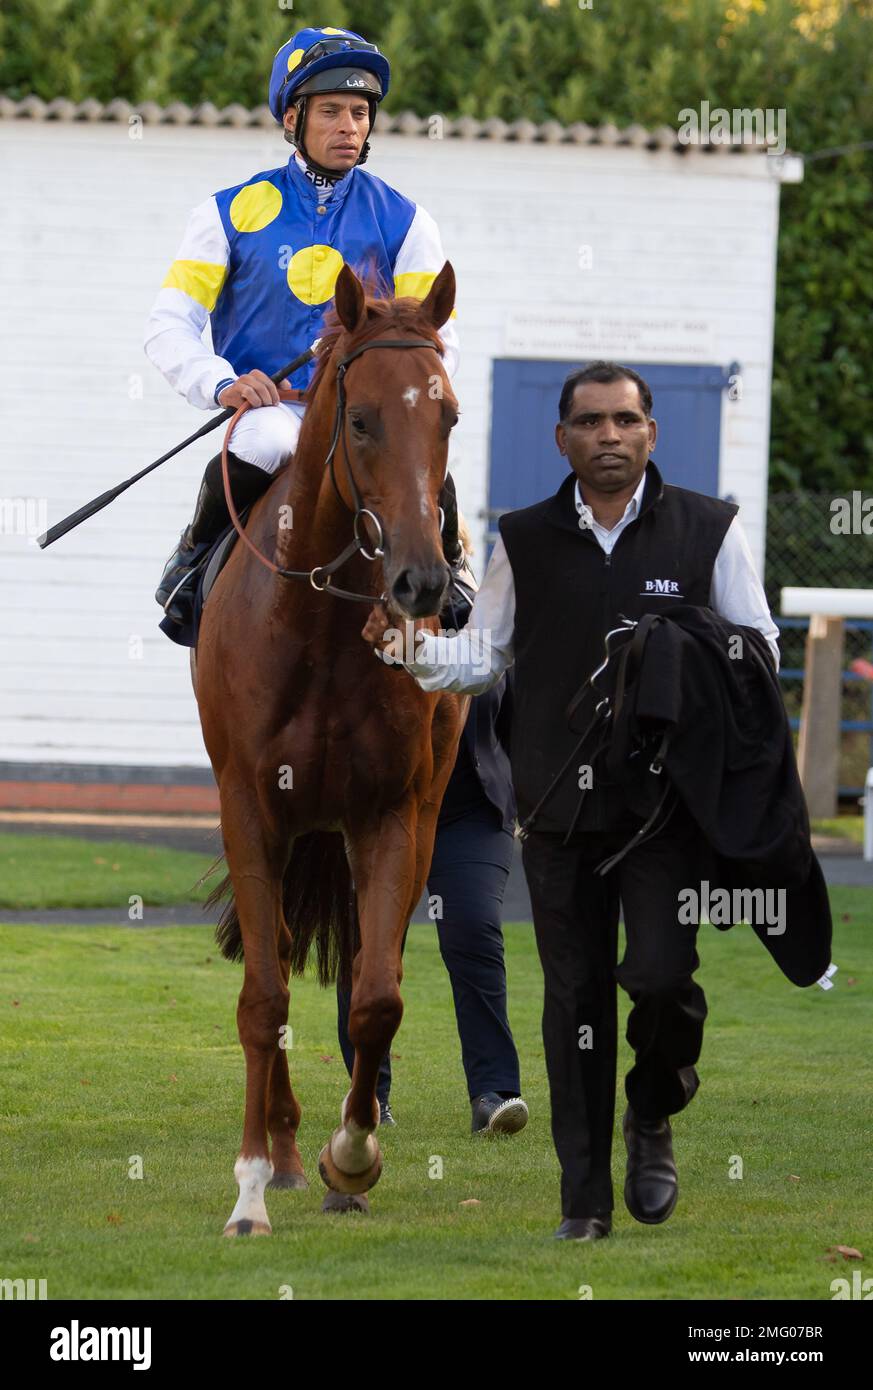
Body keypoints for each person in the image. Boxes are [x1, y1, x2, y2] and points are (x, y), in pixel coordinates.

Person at [361, 361, 781, 1241]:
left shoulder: (710, 531)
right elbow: (484, 658)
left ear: (650, 432)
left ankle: (655, 1104)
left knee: (662, 980)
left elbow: (761, 654)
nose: (609, 436)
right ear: (563, 439)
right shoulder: (523, 537)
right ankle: (583, 1204)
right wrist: (410, 651)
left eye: (625, 420)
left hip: (667, 812)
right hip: (555, 810)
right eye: (589, 422)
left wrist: (689, 658)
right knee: (575, 1002)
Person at [144, 24, 461, 624]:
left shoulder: (409, 221)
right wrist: (223, 384)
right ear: (293, 118)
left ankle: (454, 567)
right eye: (333, 111)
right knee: (268, 442)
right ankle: (194, 557)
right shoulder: (226, 213)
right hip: (273, 409)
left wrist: (411, 399)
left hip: (370, 416)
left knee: (423, 458)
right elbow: (168, 325)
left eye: (362, 113)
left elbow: (440, 340)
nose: (350, 127)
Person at [336, 518, 529, 1140]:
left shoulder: (483, 618)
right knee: (369, 948)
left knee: (473, 928)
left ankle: (494, 1093)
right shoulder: (359, 620)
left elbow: (514, 709)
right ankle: (371, 1093)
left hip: (468, 807)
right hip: (382, 812)